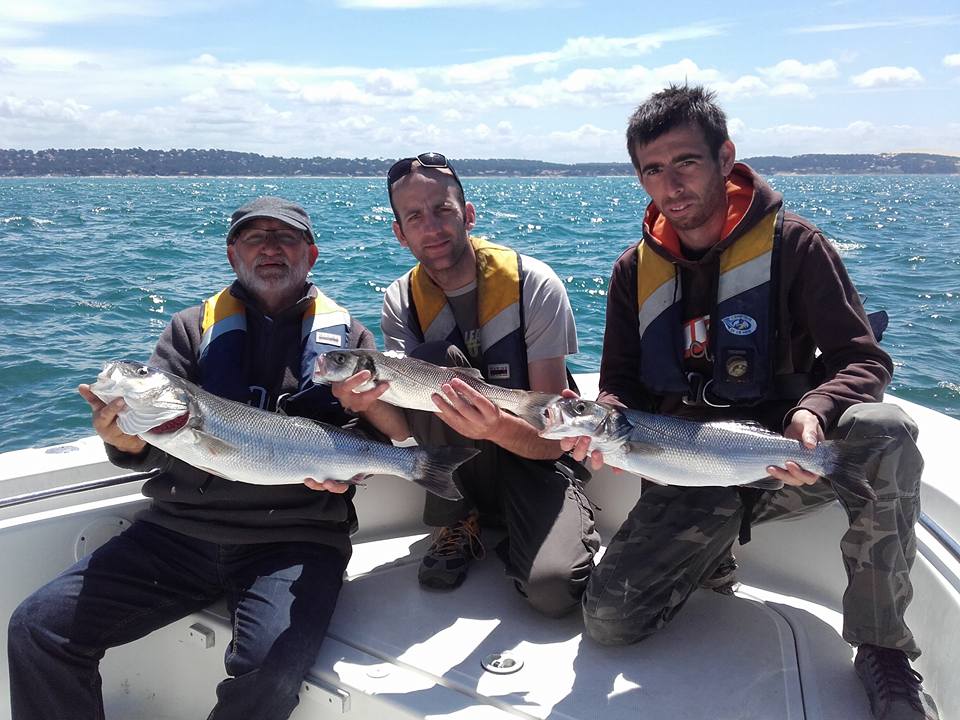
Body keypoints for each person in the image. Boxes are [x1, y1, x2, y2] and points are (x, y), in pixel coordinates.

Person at [561, 85, 937, 720]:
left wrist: (814, 411)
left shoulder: (798, 247)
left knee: (885, 428)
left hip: (787, 461)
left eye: (686, 162)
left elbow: (864, 360)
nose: (671, 185)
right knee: (610, 621)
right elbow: (620, 381)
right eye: (653, 169)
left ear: (725, 157)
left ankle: (883, 646)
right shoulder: (632, 272)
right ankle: (709, 556)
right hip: (689, 473)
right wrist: (601, 424)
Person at [7, 197, 377, 720]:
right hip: (177, 534)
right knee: (37, 627)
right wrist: (123, 440)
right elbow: (147, 444)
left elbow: (365, 437)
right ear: (233, 254)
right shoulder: (189, 329)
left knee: (271, 673)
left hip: (295, 540)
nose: (270, 248)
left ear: (310, 254)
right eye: (255, 237)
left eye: (286, 237)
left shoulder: (350, 342)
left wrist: (348, 475)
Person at [330, 152, 599, 617]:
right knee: (430, 360)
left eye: (443, 210)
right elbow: (402, 429)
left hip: (533, 461)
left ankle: (527, 530)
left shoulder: (533, 284)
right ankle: (457, 519)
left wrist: (495, 427)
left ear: (468, 214)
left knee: (554, 593)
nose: (432, 227)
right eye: (415, 217)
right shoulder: (400, 301)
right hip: (456, 469)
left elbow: (555, 440)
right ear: (399, 233)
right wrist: (363, 403)